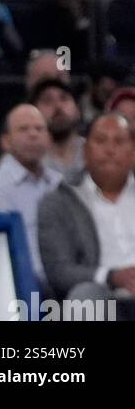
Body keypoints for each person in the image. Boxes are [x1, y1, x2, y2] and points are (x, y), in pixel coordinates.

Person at [37, 113, 135, 317]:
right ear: (85, 151)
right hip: (102, 293)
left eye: (119, 141)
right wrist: (112, 276)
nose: (110, 149)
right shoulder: (58, 201)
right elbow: (59, 271)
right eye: (101, 141)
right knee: (84, 298)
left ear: (133, 152)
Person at [0, 104, 61, 284]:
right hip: (18, 283)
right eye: (23, 129)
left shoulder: (59, 183)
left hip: (63, 277)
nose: (33, 134)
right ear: (6, 141)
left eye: (39, 128)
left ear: (49, 138)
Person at [31, 77, 86, 181]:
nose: (58, 106)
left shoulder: (96, 153)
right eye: (47, 101)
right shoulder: (28, 161)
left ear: (78, 110)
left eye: (64, 98)